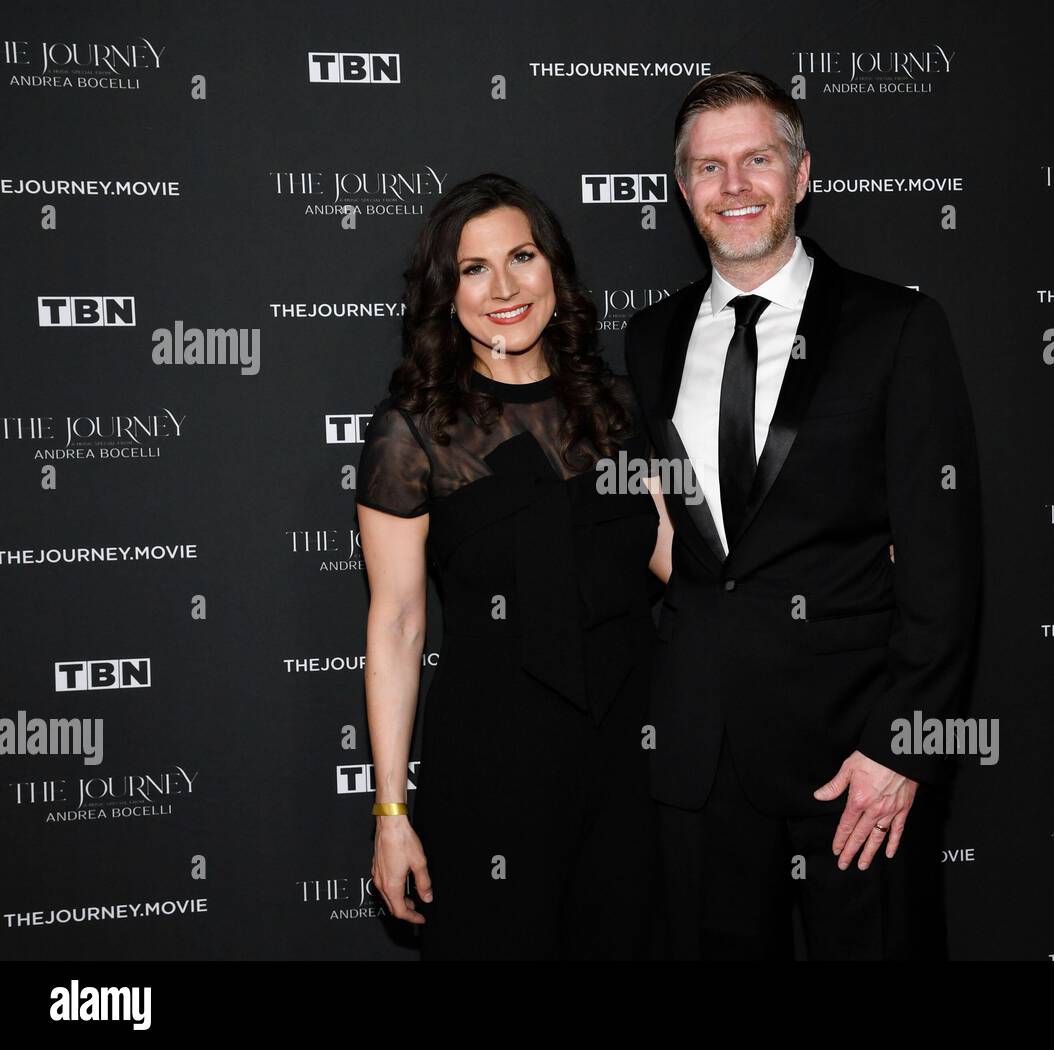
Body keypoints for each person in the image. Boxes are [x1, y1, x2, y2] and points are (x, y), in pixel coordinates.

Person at [623, 71, 983, 960]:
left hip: (853, 764)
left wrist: (901, 749)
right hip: (702, 765)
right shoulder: (652, 338)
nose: (734, 186)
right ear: (683, 189)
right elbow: (681, 543)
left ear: (802, 173)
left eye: (758, 160)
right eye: (709, 167)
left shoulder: (896, 327)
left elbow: (945, 567)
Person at [355, 172, 673, 959]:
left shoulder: (622, 409)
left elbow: (682, 561)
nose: (504, 286)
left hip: (633, 769)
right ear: (447, 291)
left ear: (554, 269)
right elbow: (396, 623)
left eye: (522, 256)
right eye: (474, 268)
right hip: (494, 773)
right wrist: (391, 817)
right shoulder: (418, 431)